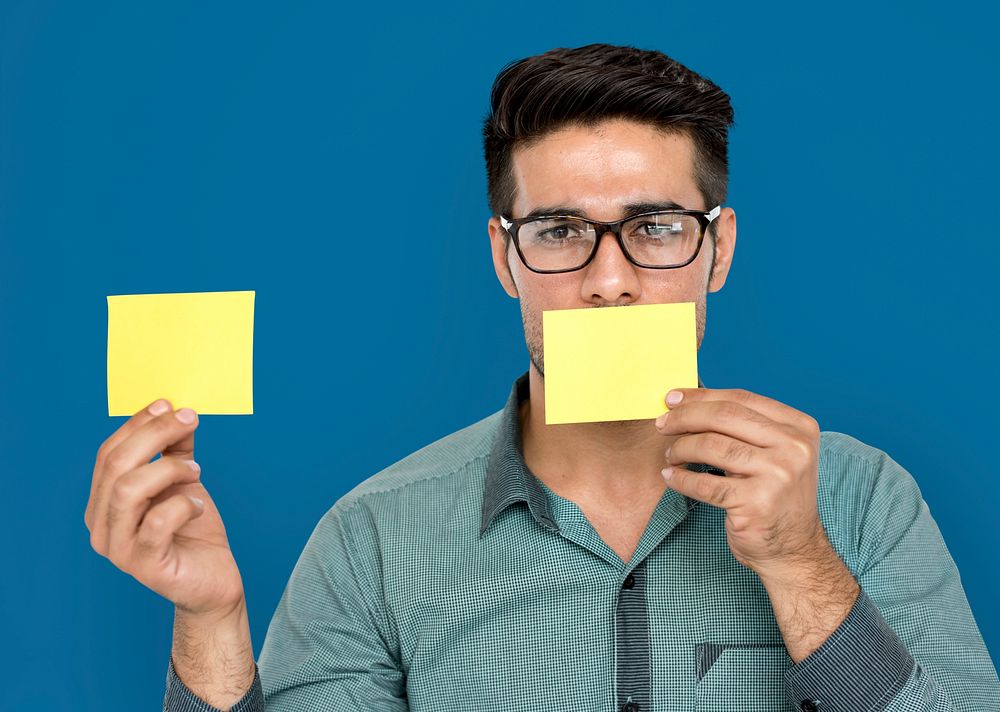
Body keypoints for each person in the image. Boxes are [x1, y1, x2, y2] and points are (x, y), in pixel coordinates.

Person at [86, 44, 1000, 712]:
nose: (610, 281)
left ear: (717, 248)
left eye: (655, 225)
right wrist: (211, 618)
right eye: (560, 232)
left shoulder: (866, 498)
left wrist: (803, 564)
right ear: (504, 258)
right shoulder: (373, 539)